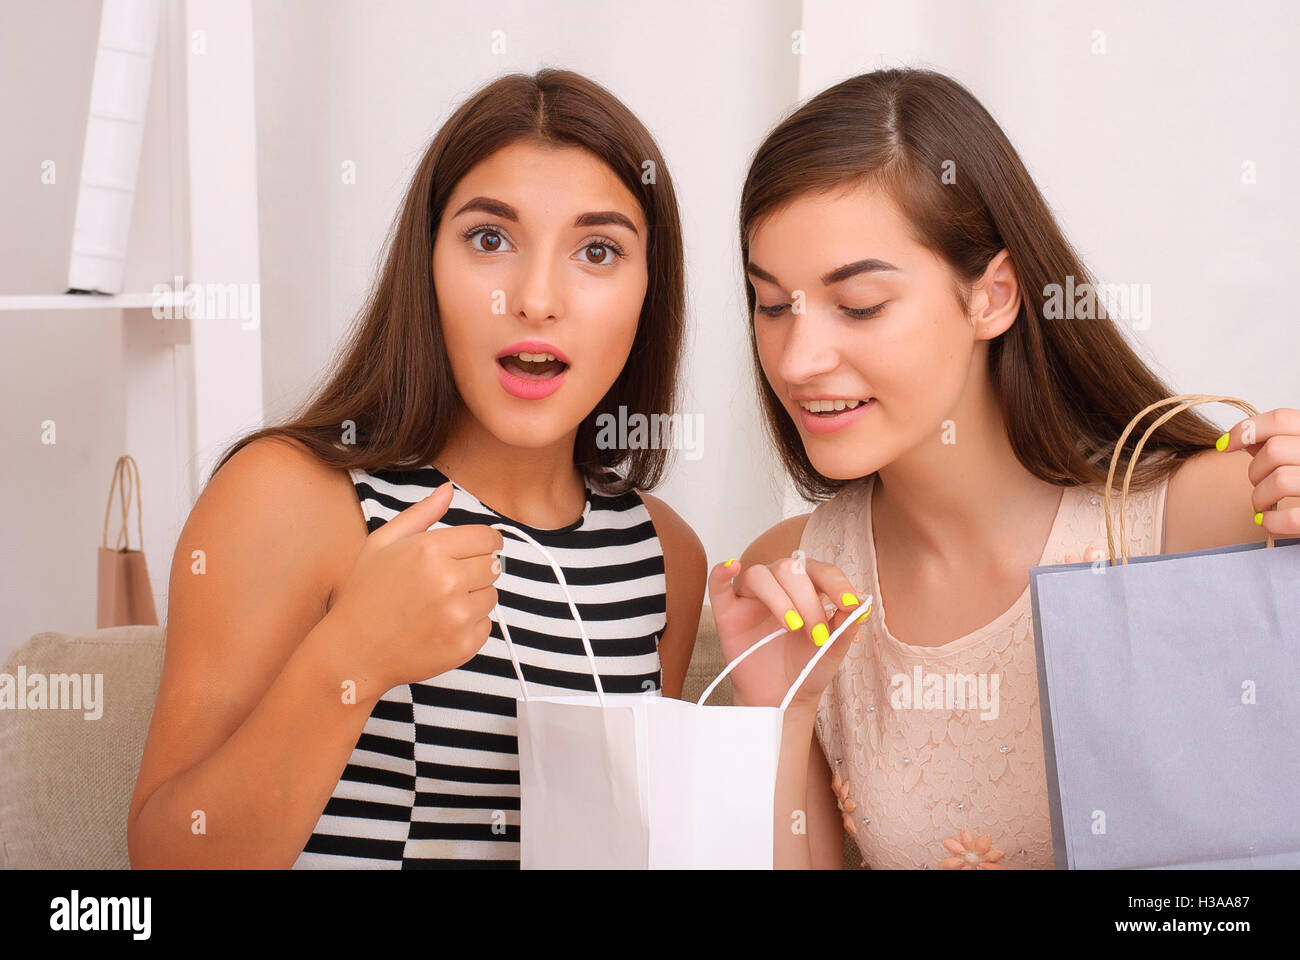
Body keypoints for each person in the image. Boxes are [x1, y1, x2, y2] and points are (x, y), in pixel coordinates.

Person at [709, 67, 1300, 869]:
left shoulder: (1200, 517)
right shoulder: (803, 577)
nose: (799, 358)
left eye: (860, 306)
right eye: (773, 305)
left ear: (992, 296)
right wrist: (780, 716)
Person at [127, 69, 705, 868]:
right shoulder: (292, 498)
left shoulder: (661, 557)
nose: (534, 300)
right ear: (426, 264)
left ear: (649, 292)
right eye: (489, 239)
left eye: (597, 251)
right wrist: (350, 659)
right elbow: (167, 860)